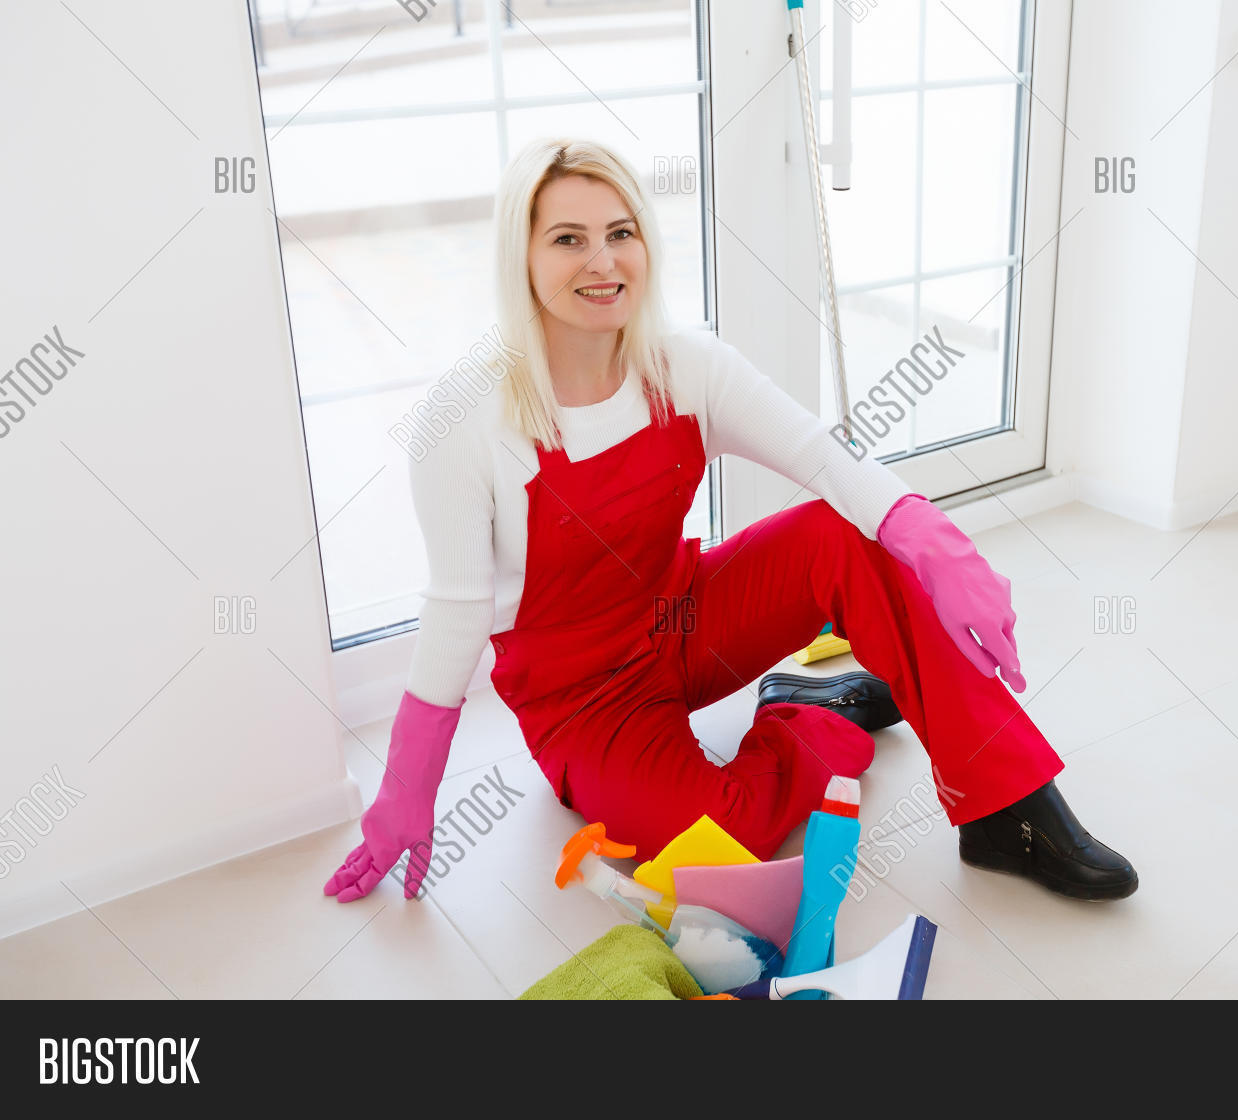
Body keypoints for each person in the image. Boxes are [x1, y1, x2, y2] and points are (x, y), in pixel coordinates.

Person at [324, 137, 1137, 907]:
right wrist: (407, 786)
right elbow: (457, 612)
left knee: (846, 536)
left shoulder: (683, 365)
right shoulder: (466, 419)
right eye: (569, 240)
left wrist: (933, 540)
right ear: (522, 257)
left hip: (683, 622)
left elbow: (821, 457)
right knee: (724, 841)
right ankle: (812, 715)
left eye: (621, 233)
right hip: (583, 700)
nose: (603, 262)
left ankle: (1008, 812)